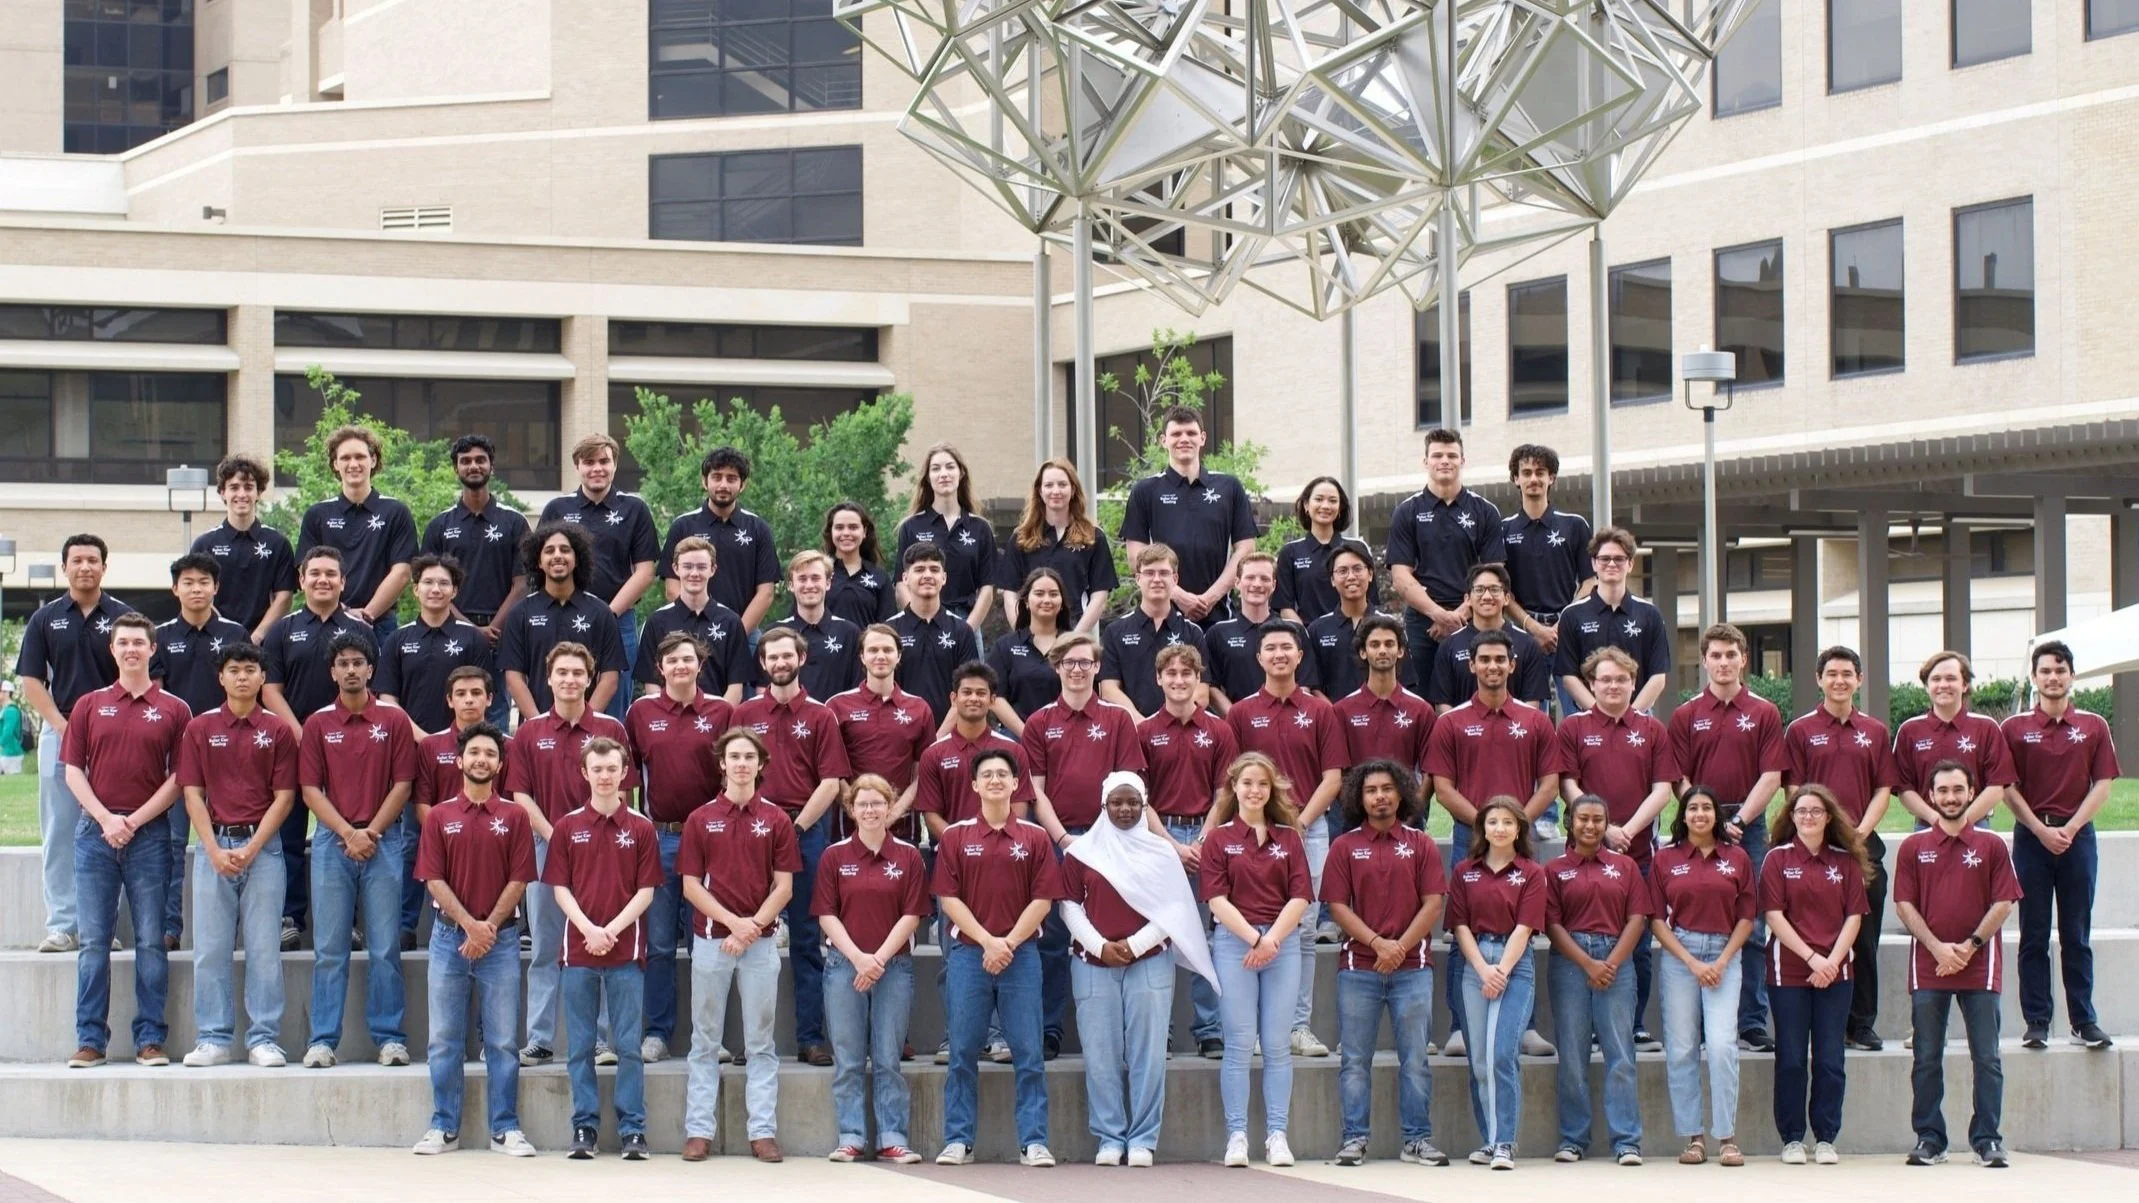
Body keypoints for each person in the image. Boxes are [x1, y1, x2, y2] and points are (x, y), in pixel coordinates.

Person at [1062, 771, 1216, 1167]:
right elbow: (1069, 906)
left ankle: (1143, 1139)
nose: (1126, 809)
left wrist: (1134, 945)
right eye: (1117, 802)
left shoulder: (1162, 852)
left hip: (1149, 961)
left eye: (1134, 802)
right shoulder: (1081, 853)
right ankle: (1109, 1138)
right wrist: (1099, 945)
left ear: (1146, 806)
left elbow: (1175, 907)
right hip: (1092, 962)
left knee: (1148, 1053)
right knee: (1100, 1053)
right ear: (1103, 805)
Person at [1422, 628, 1561, 1059]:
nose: (1493, 666)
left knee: (1523, 929)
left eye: (1501, 659)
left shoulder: (1536, 721)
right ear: (1472, 665)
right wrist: (1487, 825)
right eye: (1485, 659)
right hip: (1470, 837)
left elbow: (1551, 784)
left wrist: (1515, 824)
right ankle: (1462, 1026)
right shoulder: (1452, 722)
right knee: (1466, 928)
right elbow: (1442, 787)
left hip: (1522, 840)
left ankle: (1525, 1026)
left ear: (1512, 665)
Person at [61, 612, 190, 1070]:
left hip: (151, 837)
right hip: (94, 836)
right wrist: (105, 819)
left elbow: (179, 778)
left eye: (140, 642)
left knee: (153, 941)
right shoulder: (89, 705)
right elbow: (73, 769)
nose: (132, 649)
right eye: (123, 642)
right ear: (112, 650)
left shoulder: (175, 709)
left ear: (153, 650)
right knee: (94, 941)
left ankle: (151, 1039)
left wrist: (132, 821)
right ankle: (90, 1039)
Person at [505, 642, 636, 1069]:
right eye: (561, 672)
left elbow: (624, 790)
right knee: (545, 944)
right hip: (545, 846)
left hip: (603, 846)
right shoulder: (529, 731)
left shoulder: (611, 729)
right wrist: (556, 834)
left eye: (577, 672)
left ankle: (599, 1040)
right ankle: (541, 1038)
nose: (569, 680)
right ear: (549, 678)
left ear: (590, 678)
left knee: (596, 940)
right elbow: (520, 794)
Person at [410, 721, 537, 1156]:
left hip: (500, 943)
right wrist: (470, 925)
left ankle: (506, 1128)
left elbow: (521, 877)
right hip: (448, 940)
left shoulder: (515, 816)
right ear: (459, 760)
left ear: (500, 765)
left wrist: (487, 929)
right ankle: (443, 1126)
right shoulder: (441, 816)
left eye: (490, 754)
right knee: (444, 1038)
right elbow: (432, 878)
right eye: (474, 753)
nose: (481, 759)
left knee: (502, 1040)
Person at [934, 746, 1064, 1168]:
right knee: (963, 1053)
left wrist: (1006, 943)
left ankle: (1033, 1142)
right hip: (969, 956)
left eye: (1002, 775)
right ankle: (958, 1140)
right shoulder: (955, 836)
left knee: (1028, 1053)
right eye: (986, 774)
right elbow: (949, 900)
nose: (994, 780)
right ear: (974, 785)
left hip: (1021, 956)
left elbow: (1043, 900)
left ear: (1015, 784)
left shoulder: (1035, 837)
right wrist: (988, 941)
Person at [679, 728, 801, 1164]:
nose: (742, 764)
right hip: (712, 941)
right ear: (722, 764)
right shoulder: (700, 818)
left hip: (761, 945)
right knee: (705, 1039)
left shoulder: (776, 819)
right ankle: (698, 1131)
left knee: (761, 1042)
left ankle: (762, 1132)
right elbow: (691, 886)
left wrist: (752, 928)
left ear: (761, 764)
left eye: (750, 757)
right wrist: (734, 924)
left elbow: (784, 886)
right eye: (734, 756)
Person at [298, 629, 419, 1069]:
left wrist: (369, 832)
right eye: (342, 663)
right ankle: (323, 1040)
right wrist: (348, 833)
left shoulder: (393, 721)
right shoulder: (317, 724)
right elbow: (311, 789)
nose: (351, 670)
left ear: (371, 669)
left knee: (385, 947)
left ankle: (390, 1038)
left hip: (383, 842)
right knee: (330, 948)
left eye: (358, 663)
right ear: (333, 672)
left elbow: (403, 784)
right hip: (333, 844)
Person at [1321, 760, 1449, 1168]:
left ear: (1401, 794)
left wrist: (1399, 947)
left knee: (1416, 1060)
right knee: (1355, 1060)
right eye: (1371, 790)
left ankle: (1416, 1140)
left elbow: (1433, 903)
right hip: (1359, 968)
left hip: (1414, 968)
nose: (1380, 796)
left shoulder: (1421, 844)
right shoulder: (1344, 846)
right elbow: (1337, 906)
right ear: (1360, 797)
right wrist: (1378, 944)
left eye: (1387, 789)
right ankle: (1354, 1139)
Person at [177, 642, 299, 1068]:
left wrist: (251, 848)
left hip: (263, 851)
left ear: (263, 677)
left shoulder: (279, 731)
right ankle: (213, 1037)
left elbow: (284, 798)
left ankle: (264, 1037)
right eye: (234, 670)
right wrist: (211, 848)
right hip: (214, 846)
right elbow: (192, 793)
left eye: (251, 669)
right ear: (221, 677)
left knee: (264, 947)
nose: (243, 676)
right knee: (210, 948)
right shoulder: (200, 728)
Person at [734, 626, 853, 1066]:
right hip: (750, 836)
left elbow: (831, 780)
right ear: (762, 664)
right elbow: (731, 773)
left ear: (801, 659)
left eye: (788, 656)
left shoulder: (821, 715)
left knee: (806, 939)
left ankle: (810, 1036)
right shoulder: (745, 713)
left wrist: (796, 828)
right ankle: (754, 1042)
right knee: (752, 937)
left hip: (806, 835)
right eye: (772, 658)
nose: (780, 664)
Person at [1895, 760, 2023, 1168]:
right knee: (1927, 1056)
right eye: (1943, 791)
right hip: (1929, 965)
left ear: (1972, 794)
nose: (1950, 797)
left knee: (1986, 1057)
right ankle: (1930, 1139)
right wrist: (1937, 948)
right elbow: (1904, 904)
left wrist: (1969, 946)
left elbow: (2004, 902)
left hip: (1979, 966)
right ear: (1930, 796)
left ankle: (1987, 1139)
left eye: (1958, 790)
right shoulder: (1913, 848)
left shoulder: (1992, 845)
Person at [1024, 631, 1146, 1057]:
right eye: (1069, 663)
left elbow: (1128, 786)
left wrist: (1100, 838)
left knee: (1118, 928)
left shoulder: (1117, 720)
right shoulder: (1039, 722)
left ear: (1097, 669)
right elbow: (1035, 791)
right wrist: (1062, 838)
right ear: (1057, 667)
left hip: (1111, 841)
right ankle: (1050, 1028)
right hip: (1060, 841)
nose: (1077, 670)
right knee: (1054, 938)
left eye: (1085, 663)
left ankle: (1127, 1035)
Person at [1227, 620, 1345, 1058]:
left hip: (1306, 830)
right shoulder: (1240, 713)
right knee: (1251, 926)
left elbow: (1332, 778)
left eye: (1286, 648)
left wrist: (1297, 823)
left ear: (1299, 657)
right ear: (1259, 658)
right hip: (1250, 832)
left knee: (1305, 928)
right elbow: (1233, 779)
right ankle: (1257, 1030)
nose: (1278, 655)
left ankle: (1296, 1026)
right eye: (1270, 648)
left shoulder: (1320, 712)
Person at [1669, 622, 1786, 1054]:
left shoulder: (1764, 713)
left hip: (1748, 824)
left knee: (1752, 923)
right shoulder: (1685, 715)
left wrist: (1737, 820)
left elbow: (1772, 775)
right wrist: (1706, 817)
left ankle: (1751, 1021)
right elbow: (1677, 778)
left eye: (1730, 654)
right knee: (1697, 921)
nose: (1722, 662)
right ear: (1704, 662)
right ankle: (1699, 1023)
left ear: (1743, 659)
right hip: (1697, 823)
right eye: (1715, 655)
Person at [545, 735, 662, 1161]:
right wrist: (588, 930)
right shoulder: (567, 827)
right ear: (585, 773)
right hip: (577, 953)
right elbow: (560, 889)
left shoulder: (642, 828)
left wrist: (609, 930)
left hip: (625, 954)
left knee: (628, 1047)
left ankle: (633, 1130)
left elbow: (646, 891)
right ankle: (585, 1127)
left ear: (624, 772)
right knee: (580, 1048)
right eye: (597, 769)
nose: (606, 775)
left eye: (613, 768)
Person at [1556, 647, 1677, 1049]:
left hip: (1637, 856)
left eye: (1621, 679)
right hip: (1584, 855)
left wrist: (1626, 830)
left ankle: (1635, 1022)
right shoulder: (1572, 728)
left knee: (1637, 943)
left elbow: (1663, 790)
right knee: (1584, 938)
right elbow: (1567, 784)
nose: (1613, 686)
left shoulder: (1653, 730)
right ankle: (1588, 1025)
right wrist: (1602, 829)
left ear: (1633, 683)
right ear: (1591, 685)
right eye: (1605, 679)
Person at [17, 533, 133, 954]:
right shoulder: (45, 619)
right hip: (59, 730)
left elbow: (137, 674)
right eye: (77, 560)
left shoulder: (123, 617)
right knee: (59, 829)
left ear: (105, 566)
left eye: (93, 560)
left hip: (115, 733)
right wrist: (65, 727)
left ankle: (102, 926)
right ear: (64, 566)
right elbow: (31, 681)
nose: (85, 567)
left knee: (111, 829)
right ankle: (63, 925)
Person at [2001, 639, 2119, 1051]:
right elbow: (2007, 787)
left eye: (2060, 670)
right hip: (2031, 839)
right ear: (2034, 678)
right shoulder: (2013, 729)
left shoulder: (2092, 726)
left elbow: (2103, 783)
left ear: (2072, 676)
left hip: (2078, 839)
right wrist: (2040, 829)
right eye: (2045, 671)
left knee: (2076, 933)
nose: (2053, 677)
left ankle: (2083, 1020)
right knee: (2033, 934)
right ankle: (2037, 1021)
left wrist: (2069, 828)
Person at [260, 544, 377, 946]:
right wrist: (302, 733)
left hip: (351, 748)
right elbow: (270, 689)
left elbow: (368, 687)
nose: (323, 580)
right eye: (315, 574)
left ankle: (353, 919)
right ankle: (290, 916)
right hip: (294, 744)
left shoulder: (360, 630)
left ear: (343, 581)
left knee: (352, 829)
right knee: (289, 833)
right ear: (301, 580)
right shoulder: (283, 630)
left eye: (331, 574)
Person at [623, 632, 733, 1064]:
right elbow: (629, 777)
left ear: (699, 665)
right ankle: (657, 1031)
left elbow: (734, 773)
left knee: (708, 943)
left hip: (711, 840)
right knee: (662, 943)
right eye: (672, 661)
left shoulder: (722, 710)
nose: (681, 667)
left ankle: (712, 1036)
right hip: (661, 836)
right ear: (660, 668)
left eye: (688, 659)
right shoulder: (641, 713)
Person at [812, 774, 930, 1165]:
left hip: (893, 967)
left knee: (888, 1058)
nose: (869, 810)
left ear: (889, 807)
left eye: (877, 803)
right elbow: (826, 914)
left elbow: (913, 914)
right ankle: (851, 1135)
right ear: (851, 810)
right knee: (848, 1058)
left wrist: (877, 959)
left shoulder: (909, 856)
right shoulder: (834, 856)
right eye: (862, 804)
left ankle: (892, 1137)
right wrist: (860, 959)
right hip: (845, 965)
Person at [1202, 751, 1312, 1169]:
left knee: (1278, 1044)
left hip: (1280, 945)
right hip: (1235, 944)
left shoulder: (1289, 837)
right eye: (1247, 783)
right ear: (1234, 788)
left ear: (1272, 790)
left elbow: (1300, 895)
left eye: (1262, 784)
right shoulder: (1218, 839)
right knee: (1239, 1042)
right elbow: (1216, 898)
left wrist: (1271, 940)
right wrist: (1253, 938)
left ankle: (1277, 1135)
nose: (1254, 790)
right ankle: (1237, 1136)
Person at [1785, 646, 1895, 1052]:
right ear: (1819, 679)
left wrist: (1859, 834)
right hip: (1813, 848)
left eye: (1847, 674)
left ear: (1859, 680)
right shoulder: (1799, 730)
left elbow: (1885, 788)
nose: (1839, 681)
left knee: (1864, 940)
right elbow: (1793, 789)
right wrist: (1818, 834)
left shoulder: (1876, 731)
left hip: (1864, 850)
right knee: (1814, 935)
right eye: (1831, 674)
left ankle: (1861, 1023)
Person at [378, 554, 491, 943]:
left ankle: (480, 913)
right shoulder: (399, 639)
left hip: (472, 753)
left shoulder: (471, 639)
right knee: (416, 839)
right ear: (415, 589)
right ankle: (408, 924)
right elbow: (387, 698)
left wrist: (463, 744)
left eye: (444, 584)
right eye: (428, 583)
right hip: (417, 750)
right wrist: (426, 739)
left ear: (454, 590)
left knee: (478, 834)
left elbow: (482, 693)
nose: (436, 589)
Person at [1761, 783, 1872, 1165]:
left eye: (1815, 811)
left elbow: (1854, 917)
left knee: (1829, 1058)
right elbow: (1774, 916)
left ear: (1829, 817)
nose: (1807, 817)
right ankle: (1792, 1138)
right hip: (1789, 971)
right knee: (1791, 1058)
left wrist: (1832, 962)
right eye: (1801, 811)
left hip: (1836, 975)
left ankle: (1825, 1137)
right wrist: (1812, 958)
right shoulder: (1776, 859)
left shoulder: (1845, 862)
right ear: (1791, 817)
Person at [1136, 643, 1235, 1058]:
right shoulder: (1143, 731)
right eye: (1171, 674)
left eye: (1187, 674)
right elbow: (1140, 798)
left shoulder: (1218, 730)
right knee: (1158, 937)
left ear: (1199, 680)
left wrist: (1200, 841)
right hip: (1158, 838)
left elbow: (1223, 792)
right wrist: (1173, 845)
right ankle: (1161, 1030)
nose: (1179, 681)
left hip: (1205, 837)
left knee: (1205, 937)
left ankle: (1209, 1027)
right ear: (1159, 679)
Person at [1648, 786, 1755, 1167]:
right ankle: (1694, 1138)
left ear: (1717, 816)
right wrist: (1692, 963)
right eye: (1692, 808)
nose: (1700, 814)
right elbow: (1656, 920)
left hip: (1726, 954)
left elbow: (1746, 917)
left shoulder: (1737, 858)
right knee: (1681, 1048)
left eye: (1707, 808)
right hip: (1681, 956)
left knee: (1724, 1045)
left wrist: (1723, 960)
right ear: (1683, 816)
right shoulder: (1666, 859)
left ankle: (1726, 1136)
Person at [151, 552, 253, 949]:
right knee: (174, 844)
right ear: (176, 588)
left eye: (204, 582)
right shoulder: (160, 635)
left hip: (231, 756)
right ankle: (170, 927)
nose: (197, 589)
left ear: (216, 588)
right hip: (178, 760)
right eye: (188, 582)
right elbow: (157, 700)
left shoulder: (234, 633)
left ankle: (243, 927)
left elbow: (247, 690)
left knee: (237, 842)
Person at [1543, 795, 1649, 1165]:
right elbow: (1551, 924)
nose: (1590, 826)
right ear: (1570, 822)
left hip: (1616, 961)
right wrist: (1588, 963)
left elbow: (1637, 918)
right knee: (1573, 1054)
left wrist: (1611, 963)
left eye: (1598, 819)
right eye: (1583, 819)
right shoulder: (1554, 869)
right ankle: (1573, 1138)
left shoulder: (1625, 867)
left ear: (1607, 824)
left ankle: (1626, 1141)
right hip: (1571, 963)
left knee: (1620, 1054)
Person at [1449, 797, 1545, 1171]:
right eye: (1493, 822)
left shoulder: (1532, 873)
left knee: (1502, 1054)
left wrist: (1501, 970)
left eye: (1508, 822)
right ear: (1483, 829)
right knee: (1479, 1061)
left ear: (1519, 829)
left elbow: (1525, 926)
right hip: (1475, 966)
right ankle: (1488, 1140)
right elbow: (1459, 925)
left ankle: (1505, 1142)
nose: (1500, 828)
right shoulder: (1464, 872)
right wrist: (1482, 968)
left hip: (1514, 964)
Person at [540, 433, 659, 719]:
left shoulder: (634, 509)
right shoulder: (558, 509)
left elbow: (645, 572)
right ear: (577, 467)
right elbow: (539, 564)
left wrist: (605, 614)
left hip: (618, 621)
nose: (597, 468)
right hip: (563, 616)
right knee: (559, 695)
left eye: (604, 461)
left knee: (614, 705)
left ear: (615, 465)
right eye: (589, 462)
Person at [1118, 405, 1259, 628]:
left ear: (1202, 438)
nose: (1184, 439)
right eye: (1176, 434)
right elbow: (1137, 556)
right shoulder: (1145, 490)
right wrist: (1178, 595)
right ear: (1163, 440)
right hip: (1162, 615)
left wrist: (1210, 598)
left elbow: (1246, 550)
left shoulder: (1229, 487)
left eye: (1191, 433)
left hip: (1219, 614)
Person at [420, 434, 530, 717]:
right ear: (456, 468)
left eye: (480, 460)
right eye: (465, 461)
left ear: (491, 467)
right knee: (450, 709)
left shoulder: (514, 522)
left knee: (496, 713)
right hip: (450, 631)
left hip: (502, 634)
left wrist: (490, 629)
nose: (473, 466)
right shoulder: (439, 525)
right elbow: (430, 586)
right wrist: (469, 629)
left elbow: (522, 584)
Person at [1386, 428, 1504, 688]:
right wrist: (1437, 614)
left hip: (1476, 616)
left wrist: (1461, 615)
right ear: (1425, 461)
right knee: (1424, 700)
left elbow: (1495, 573)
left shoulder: (1485, 511)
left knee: (1477, 692)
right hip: (1422, 621)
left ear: (1463, 460)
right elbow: (1400, 575)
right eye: (1437, 455)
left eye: (1452, 455)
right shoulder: (1407, 512)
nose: (1445, 461)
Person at [498, 522, 627, 719]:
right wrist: (539, 725)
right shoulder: (520, 613)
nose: (557, 555)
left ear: (577, 559)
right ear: (539, 562)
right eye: (549, 550)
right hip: (537, 726)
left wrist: (586, 721)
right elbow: (514, 678)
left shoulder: (601, 612)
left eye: (565, 550)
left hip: (587, 730)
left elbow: (610, 678)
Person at [297, 425, 417, 636]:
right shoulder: (317, 514)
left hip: (380, 624)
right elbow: (305, 571)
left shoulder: (395, 512)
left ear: (373, 460)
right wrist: (342, 612)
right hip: (326, 622)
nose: (353, 464)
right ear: (335, 464)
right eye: (345, 458)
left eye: (360, 457)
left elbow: (402, 572)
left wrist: (366, 615)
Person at [827, 624, 935, 842]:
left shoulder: (919, 708)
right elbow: (831, 771)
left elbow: (923, 772)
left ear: (899, 656)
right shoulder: (837, 705)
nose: (880, 656)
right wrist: (860, 811)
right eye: (873, 650)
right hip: (850, 825)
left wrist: (892, 814)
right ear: (862, 656)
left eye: (887, 650)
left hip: (901, 825)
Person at [659, 446, 778, 633]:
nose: (723, 485)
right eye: (716, 477)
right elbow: (672, 587)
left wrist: (735, 635)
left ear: (742, 484)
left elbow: (766, 592)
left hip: (744, 634)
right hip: (691, 634)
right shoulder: (683, 525)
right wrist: (698, 627)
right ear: (705, 481)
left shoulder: (758, 529)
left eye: (731, 479)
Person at [1554, 527, 1672, 714]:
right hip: (1587, 716)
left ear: (1630, 564)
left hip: (1638, 715)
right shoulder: (1572, 615)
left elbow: (1658, 676)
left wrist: (1631, 716)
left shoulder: (1650, 614)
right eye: (1604, 559)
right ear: (1593, 563)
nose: (1611, 564)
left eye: (1619, 559)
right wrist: (1599, 715)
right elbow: (1568, 677)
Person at [1893, 651, 2015, 827]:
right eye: (1936, 679)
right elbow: (1904, 788)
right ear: (1927, 686)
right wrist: (1937, 821)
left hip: (1976, 824)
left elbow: (1997, 786)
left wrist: (1961, 823)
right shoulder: (1909, 730)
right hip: (1927, 826)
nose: (1943, 685)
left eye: (1951, 678)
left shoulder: (1986, 727)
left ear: (1965, 685)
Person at [1499, 445, 1592, 668]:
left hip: (1568, 632)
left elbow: (1590, 581)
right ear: (1515, 479)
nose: (1534, 478)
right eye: (1526, 472)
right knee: (1529, 704)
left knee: (1577, 703)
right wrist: (1534, 628)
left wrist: (1562, 624)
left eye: (1540, 472)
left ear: (1551, 478)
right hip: (1522, 634)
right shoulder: (1502, 530)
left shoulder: (1575, 525)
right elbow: (1502, 591)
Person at [999, 457, 1116, 632]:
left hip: (1074, 630)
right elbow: (1010, 594)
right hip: (1030, 632)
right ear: (1039, 491)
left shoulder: (1093, 537)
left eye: (1062, 484)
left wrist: (1075, 636)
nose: (1056, 491)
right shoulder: (1021, 538)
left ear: (1073, 489)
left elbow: (1100, 594)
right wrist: (1023, 635)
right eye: (1049, 485)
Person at [632, 536, 751, 703]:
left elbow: (736, 687)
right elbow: (651, 685)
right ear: (675, 568)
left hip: (717, 722)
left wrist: (718, 719)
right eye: (687, 566)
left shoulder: (731, 621)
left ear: (713, 569)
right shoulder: (657, 621)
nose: (694, 573)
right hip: (669, 721)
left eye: (701, 567)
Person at [1099, 544, 1210, 720]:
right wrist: (1141, 724)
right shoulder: (1115, 632)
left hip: (1181, 730)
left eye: (1164, 573)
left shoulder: (1193, 632)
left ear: (1175, 578)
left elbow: (1202, 693)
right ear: (1137, 578)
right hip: (1134, 732)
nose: (1156, 579)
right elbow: (1109, 690)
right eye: (1149, 573)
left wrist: (1166, 727)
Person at [194, 454, 296, 645]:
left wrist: (256, 637)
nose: (241, 494)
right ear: (223, 492)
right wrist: (226, 633)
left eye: (249, 487)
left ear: (258, 493)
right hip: (216, 642)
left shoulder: (277, 543)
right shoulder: (204, 544)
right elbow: (198, 593)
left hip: (263, 645)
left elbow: (284, 596)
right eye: (234, 487)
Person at [1425, 563, 1551, 713]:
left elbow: (1532, 704)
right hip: (1463, 733)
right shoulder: (1449, 646)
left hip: (1514, 732)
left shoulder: (1528, 644)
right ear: (1467, 599)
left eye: (1494, 590)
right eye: (1479, 590)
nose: (1486, 596)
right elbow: (1442, 703)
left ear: (1506, 598)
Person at [896, 442, 997, 628]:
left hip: (967, 620)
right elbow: (901, 584)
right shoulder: (910, 527)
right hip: (922, 620)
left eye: (950, 467)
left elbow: (987, 588)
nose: (944, 474)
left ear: (961, 473)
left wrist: (967, 629)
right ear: (927, 477)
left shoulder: (980, 528)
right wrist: (920, 620)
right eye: (936, 469)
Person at [887, 543, 982, 724]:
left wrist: (939, 739)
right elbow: (882, 691)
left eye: (934, 569)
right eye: (920, 569)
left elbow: (969, 690)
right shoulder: (890, 630)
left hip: (949, 737)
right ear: (905, 577)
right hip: (899, 732)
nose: (928, 575)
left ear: (944, 578)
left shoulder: (962, 630)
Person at [1331, 614, 1435, 775]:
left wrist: (1414, 801)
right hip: (1355, 800)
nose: (1382, 650)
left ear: (1400, 651)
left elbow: (1429, 772)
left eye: (1389, 644)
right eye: (1374, 644)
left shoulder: (1421, 710)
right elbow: (1337, 772)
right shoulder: (1341, 711)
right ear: (1363, 652)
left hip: (1407, 800)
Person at [1301, 543, 1400, 702]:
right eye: (1342, 571)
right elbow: (1312, 686)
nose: (1351, 576)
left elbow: (1404, 681)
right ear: (1332, 580)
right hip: (1332, 720)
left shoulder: (1390, 625)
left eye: (1357, 569)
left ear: (1370, 574)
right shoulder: (1316, 630)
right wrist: (1336, 714)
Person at [414, 668, 510, 828]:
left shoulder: (509, 746)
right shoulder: (430, 746)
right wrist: (447, 833)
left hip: (496, 838)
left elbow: (513, 803)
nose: (469, 700)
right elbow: (421, 804)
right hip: (444, 840)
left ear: (489, 699)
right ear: (450, 700)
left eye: (476, 692)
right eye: (460, 694)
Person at [1276, 475, 1376, 625]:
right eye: (1319, 499)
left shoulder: (1358, 548)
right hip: (1309, 640)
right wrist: (1307, 638)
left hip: (1357, 638)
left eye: (1333, 501)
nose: (1325, 506)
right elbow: (1285, 608)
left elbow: (1371, 601)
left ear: (1340, 507)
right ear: (1306, 505)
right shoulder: (1290, 552)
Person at [988, 568, 1071, 726]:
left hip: (1066, 736)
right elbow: (995, 697)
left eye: (1053, 594)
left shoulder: (1075, 646)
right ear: (1026, 601)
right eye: (1039, 593)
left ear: (1062, 603)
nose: (1047, 600)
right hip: (1016, 737)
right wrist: (1026, 734)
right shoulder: (1005, 646)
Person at [1200, 552, 1278, 712]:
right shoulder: (1217, 634)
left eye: (1264, 579)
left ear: (1274, 585)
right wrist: (1235, 718)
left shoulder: (1292, 631)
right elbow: (1210, 685)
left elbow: (1304, 683)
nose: (1257, 584)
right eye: (1250, 577)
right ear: (1237, 582)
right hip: (1237, 728)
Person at [782, 550, 863, 701]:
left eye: (815, 578)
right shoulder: (777, 633)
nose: (809, 585)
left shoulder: (849, 633)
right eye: (802, 579)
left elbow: (858, 690)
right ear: (791, 585)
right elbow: (763, 689)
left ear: (827, 583)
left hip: (838, 721)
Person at [822, 502, 898, 630]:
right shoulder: (818, 574)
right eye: (839, 527)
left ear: (864, 532)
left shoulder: (880, 577)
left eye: (853, 527)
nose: (846, 533)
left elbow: (888, 628)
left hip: (867, 649)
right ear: (831, 532)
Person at [0, 682, 25, 775]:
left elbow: (8, 732)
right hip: (5, 752)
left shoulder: (11, 710)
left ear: (7, 693)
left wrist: (1, 745)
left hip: (11, 753)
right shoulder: (5, 709)